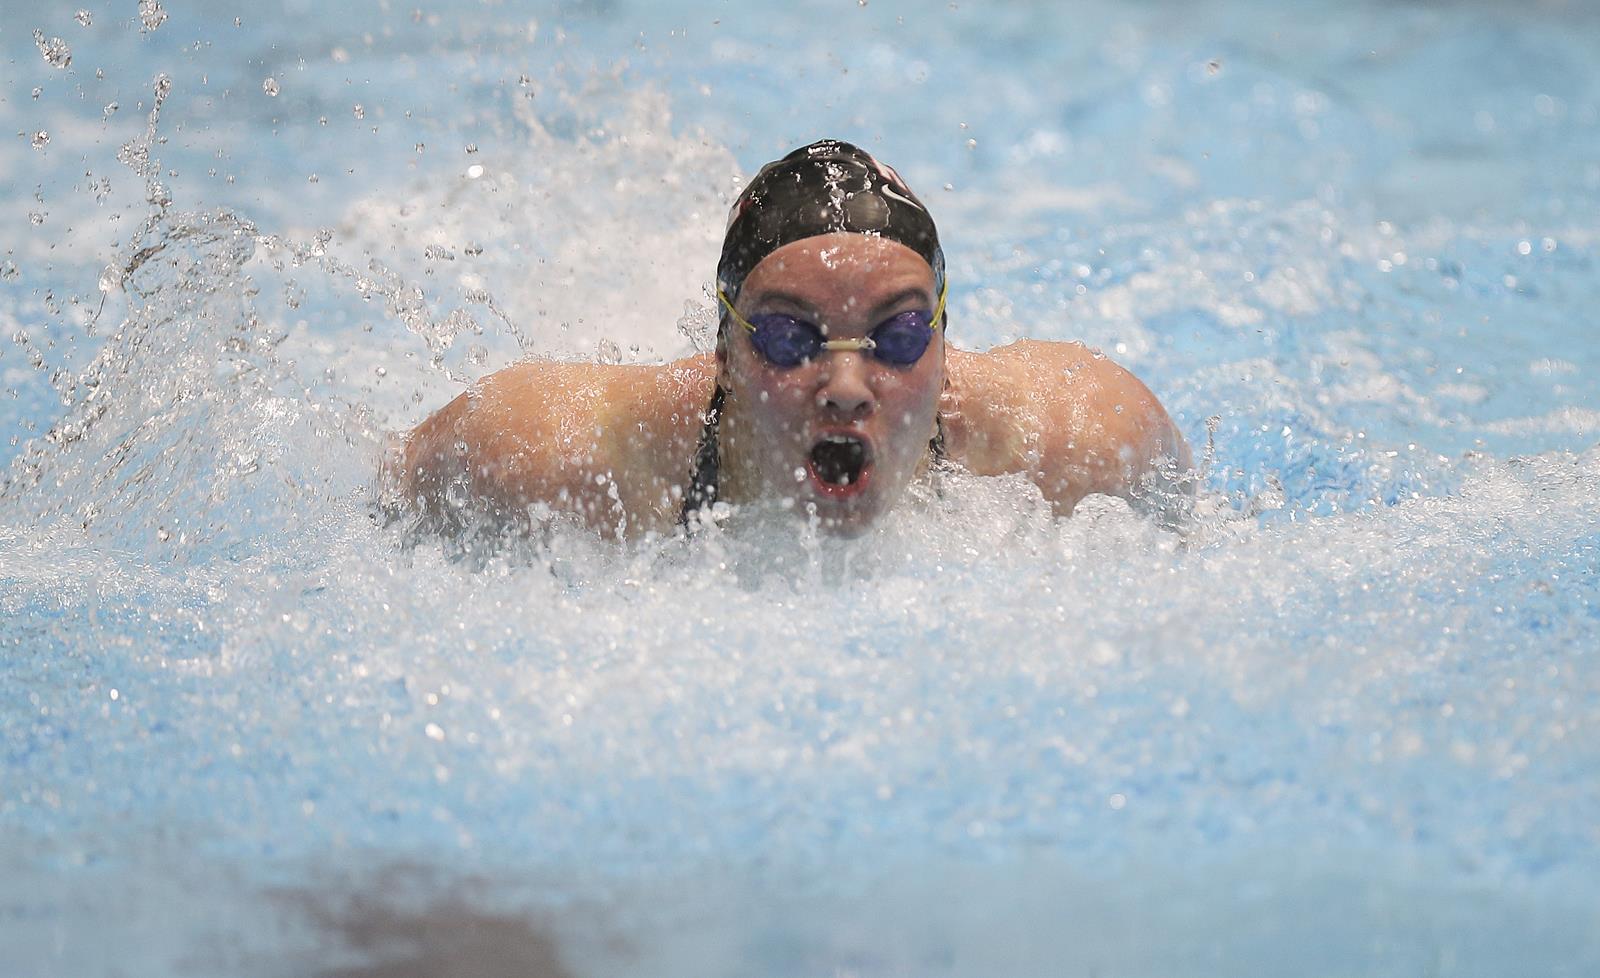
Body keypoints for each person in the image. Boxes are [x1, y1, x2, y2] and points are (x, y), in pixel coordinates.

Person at [393, 139, 1192, 538]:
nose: (846, 387)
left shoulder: (1079, 445)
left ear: (945, 342)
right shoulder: (558, 454)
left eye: (901, 335)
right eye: (786, 337)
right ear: (726, 356)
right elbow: (369, 511)